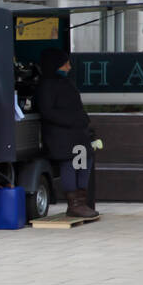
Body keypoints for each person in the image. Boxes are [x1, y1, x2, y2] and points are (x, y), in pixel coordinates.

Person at [35, 48, 97, 219]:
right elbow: (47, 111)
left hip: (76, 134)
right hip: (61, 136)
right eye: (65, 64)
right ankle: (74, 204)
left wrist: (83, 121)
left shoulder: (66, 82)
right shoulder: (47, 85)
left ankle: (81, 200)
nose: (69, 67)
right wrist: (72, 121)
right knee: (70, 163)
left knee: (85, 159)